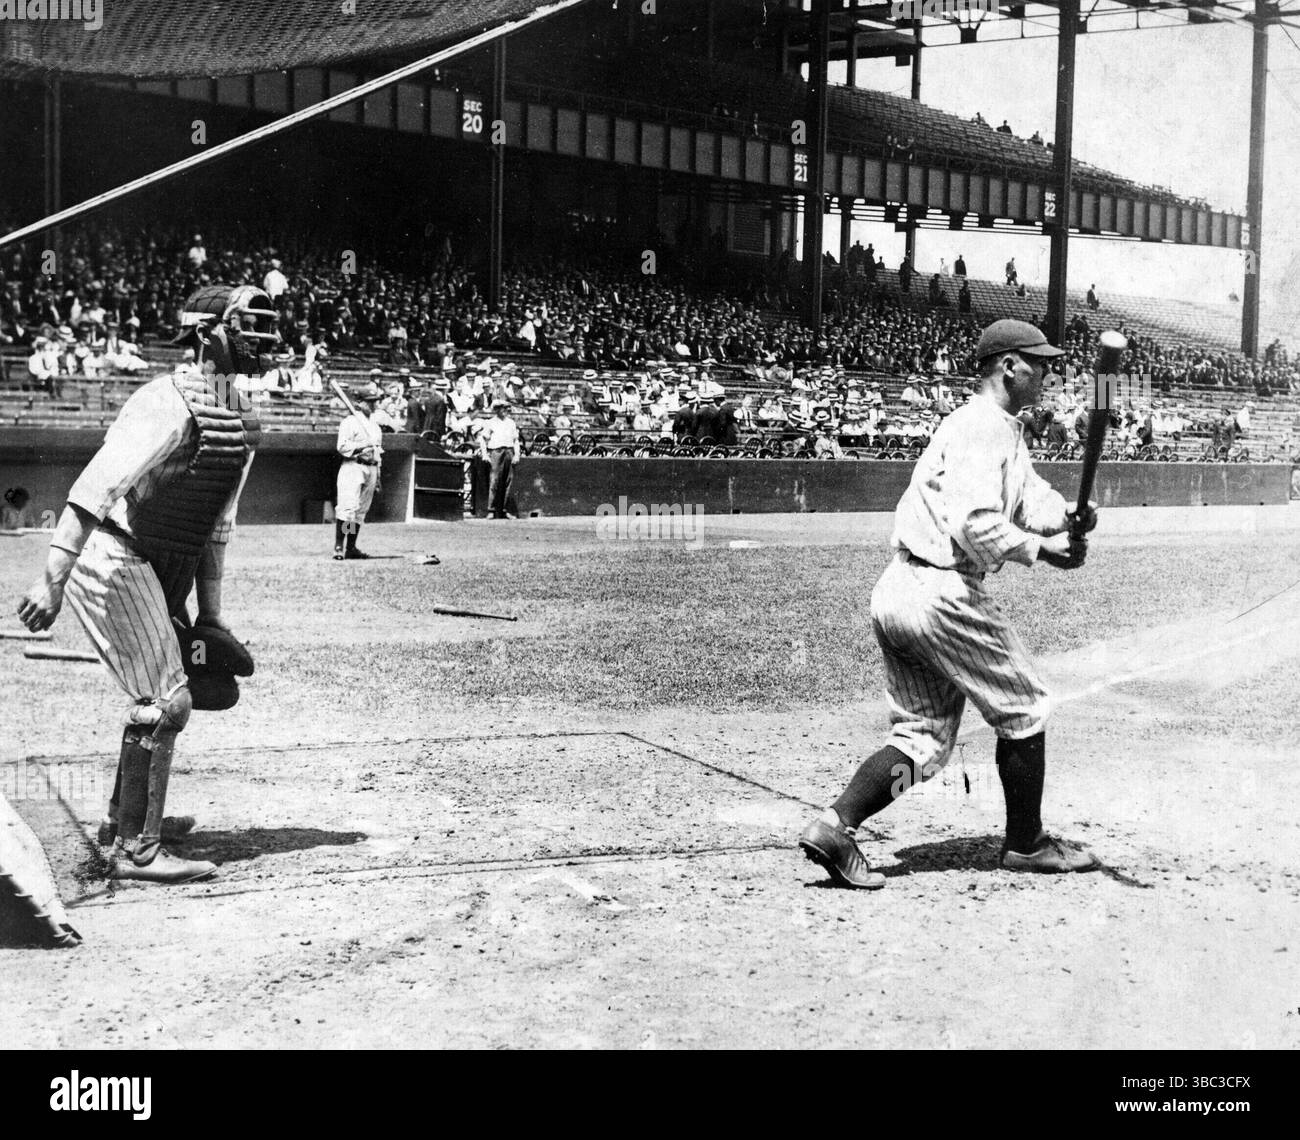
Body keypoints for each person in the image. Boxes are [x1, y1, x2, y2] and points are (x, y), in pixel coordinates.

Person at [797, 318, 1101, 889]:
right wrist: (1044, 551)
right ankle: (1027, 844)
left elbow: (1030, 498)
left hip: (900, 589)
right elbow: (977, 526)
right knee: (1025, 706)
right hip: (942, 591)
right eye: (1039, 363)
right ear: (1009, 366)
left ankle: (836, 826)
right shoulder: (981, 427)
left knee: (924, 738)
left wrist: (1066, 517)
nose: (1048, 373)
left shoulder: (998, 428)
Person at [15, 284, 278, 884]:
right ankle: (137, 849)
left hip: (162, 563)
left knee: (185, 691)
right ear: (208, 332)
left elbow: (215, 528)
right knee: (167, 700)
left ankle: (123, 817)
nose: (263, 335)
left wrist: (210, 618)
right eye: (248, 323)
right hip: (113, 555)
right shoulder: (166, 401)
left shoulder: (238, 415)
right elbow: (94, 488)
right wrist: (51, 581)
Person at [334, 381, 385, 559]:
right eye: (369, 401)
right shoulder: (350, 422)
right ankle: (339, 546)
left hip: (371, 468)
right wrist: (364, 444)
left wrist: (378, 477)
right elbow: (342, 446)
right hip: (353, 466)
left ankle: (351, 547)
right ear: (359, 403)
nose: (373, 405)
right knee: (348, 508)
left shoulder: (375, 427)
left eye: (374, 401)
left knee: (359, 512)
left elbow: (378, 453)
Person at [480, 398, 521, 519]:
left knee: (508, 482)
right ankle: (491, 510)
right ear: (496, 410)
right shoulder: (490, 422)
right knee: (494, 481)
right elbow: (483, 439)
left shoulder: (511, 423)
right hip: (496, 452)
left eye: (506, 408)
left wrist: (517, 454)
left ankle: (504, 510)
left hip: (509, 451)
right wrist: (485, 454)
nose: (505, 410)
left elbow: (516, 440)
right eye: (502, 408)